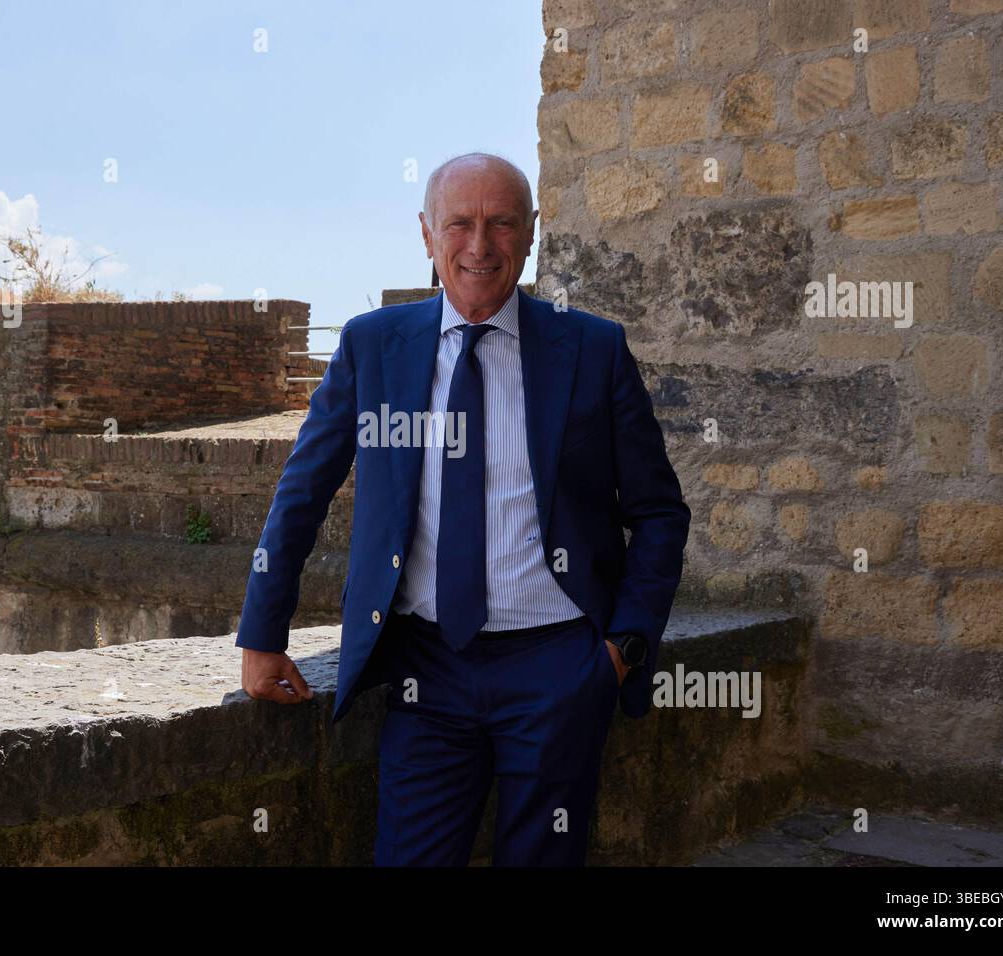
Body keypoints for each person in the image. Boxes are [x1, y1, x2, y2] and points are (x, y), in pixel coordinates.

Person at [235, 152, 690, 865]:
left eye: (502, 223)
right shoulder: (373, 346)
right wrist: (262, 633)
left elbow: (660, 513)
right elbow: (303, 491)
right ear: (426, 234)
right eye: (460, 224)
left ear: (531, 232)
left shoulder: (593, 349)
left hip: (560, 668)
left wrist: (621, 649)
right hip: (427, 670)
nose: (480, 245)